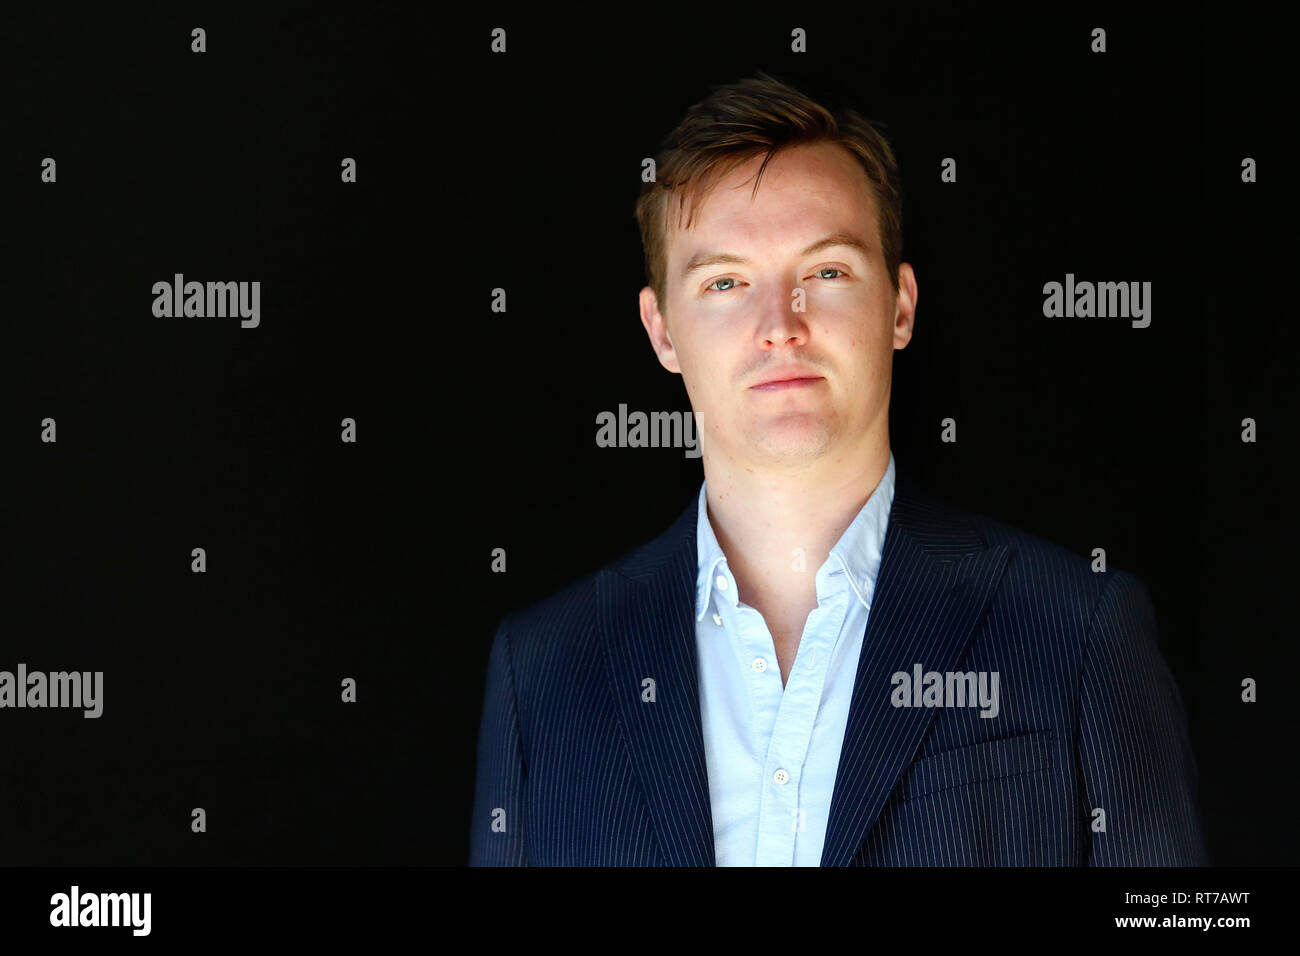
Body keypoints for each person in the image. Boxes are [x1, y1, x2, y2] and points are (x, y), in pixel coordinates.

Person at [469, 73, 1208, 866]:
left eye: (825, 272)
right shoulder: (542, 673)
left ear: (900, 304)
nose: (779, 326)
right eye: (724, 283)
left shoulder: (1078, 631)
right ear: (663, 332)